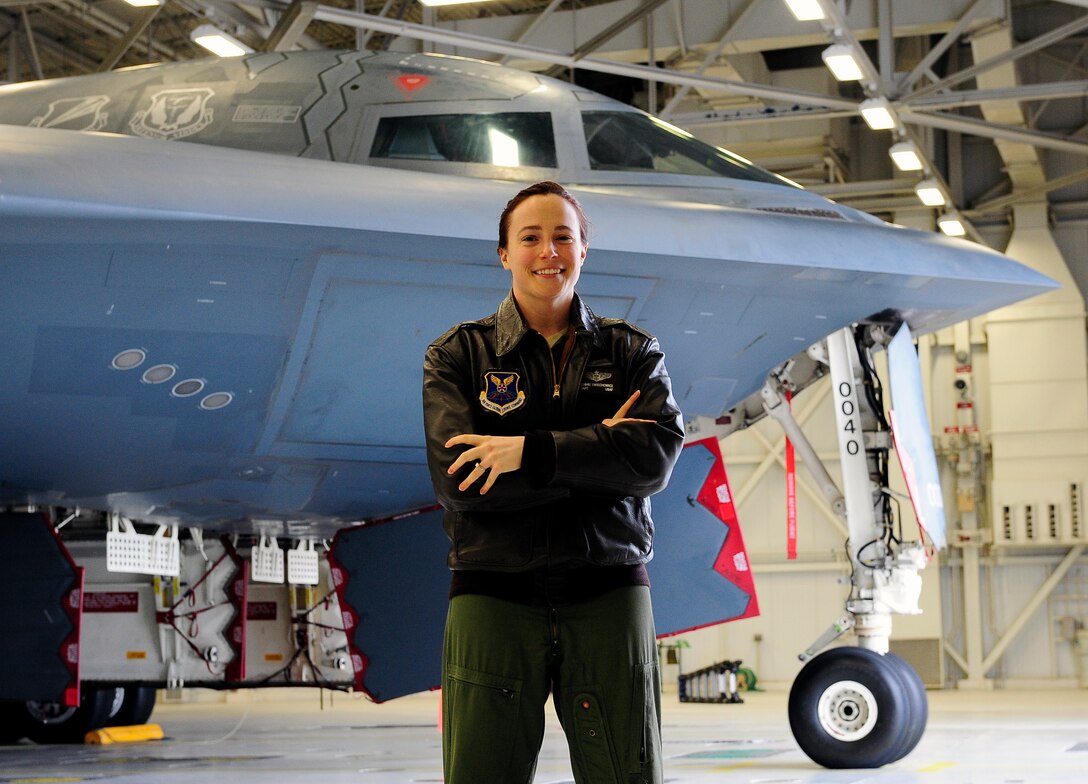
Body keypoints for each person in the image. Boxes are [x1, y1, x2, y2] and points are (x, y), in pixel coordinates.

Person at [422, 181, 684, 784]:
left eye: (563, 236)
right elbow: (461, 483)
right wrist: (600, 452)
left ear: (584, 249)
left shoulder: (632, 352)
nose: (549, 251)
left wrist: (525, 452)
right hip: (493, 594)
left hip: (608, 591)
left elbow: (653, 463)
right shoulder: (458, 356)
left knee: (628, 774)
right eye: (530, 237)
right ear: (504, 253)